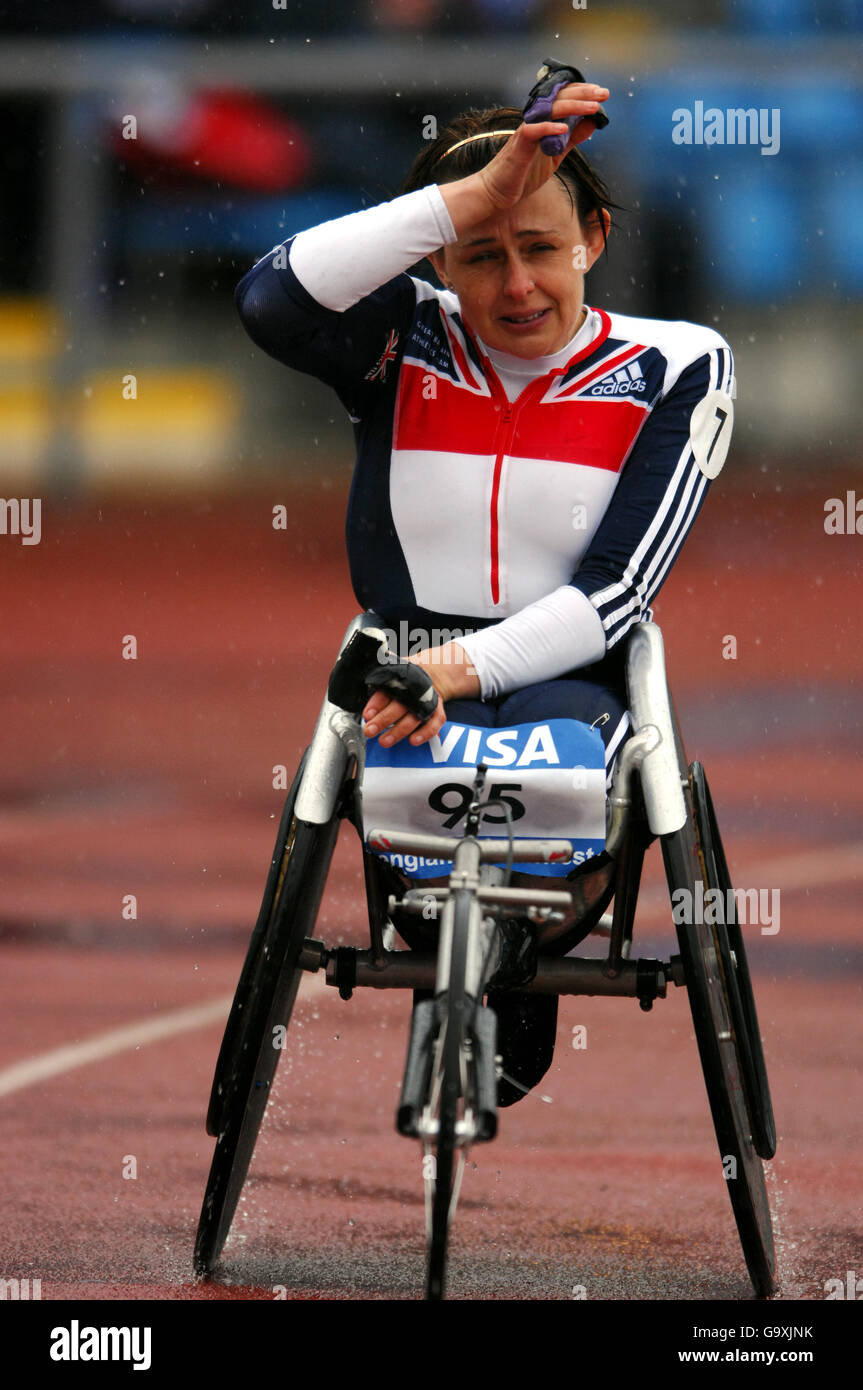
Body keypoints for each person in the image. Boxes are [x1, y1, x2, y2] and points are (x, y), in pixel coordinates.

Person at [235, 77, 736, 1103]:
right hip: (407, 658)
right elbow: (270, 298)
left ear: (592, 235)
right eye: (481, 252)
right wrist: (478, 191)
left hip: (569, 671)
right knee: (428, 804)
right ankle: (448, 934)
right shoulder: (401, 336)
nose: (514, 287)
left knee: (538, 775)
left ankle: (506, 957)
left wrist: (453, 673)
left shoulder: (677, 362)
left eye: (540, 247)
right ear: (440, 257)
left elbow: (617, 591)